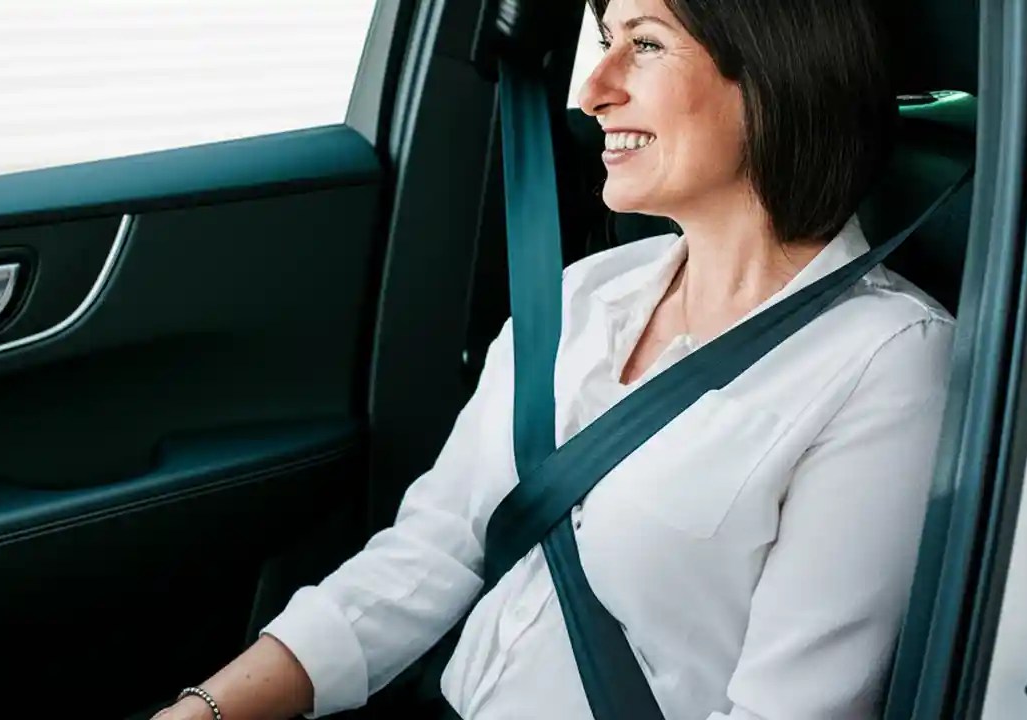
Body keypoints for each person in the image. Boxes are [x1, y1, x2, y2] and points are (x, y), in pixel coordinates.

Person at [152, 0, 955, 717]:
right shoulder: (581, 298)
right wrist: (208, 711)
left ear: (776, 74)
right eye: (603, 40)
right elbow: (433, 552)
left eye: (643, 44)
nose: (592, 90)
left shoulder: (885, 363)